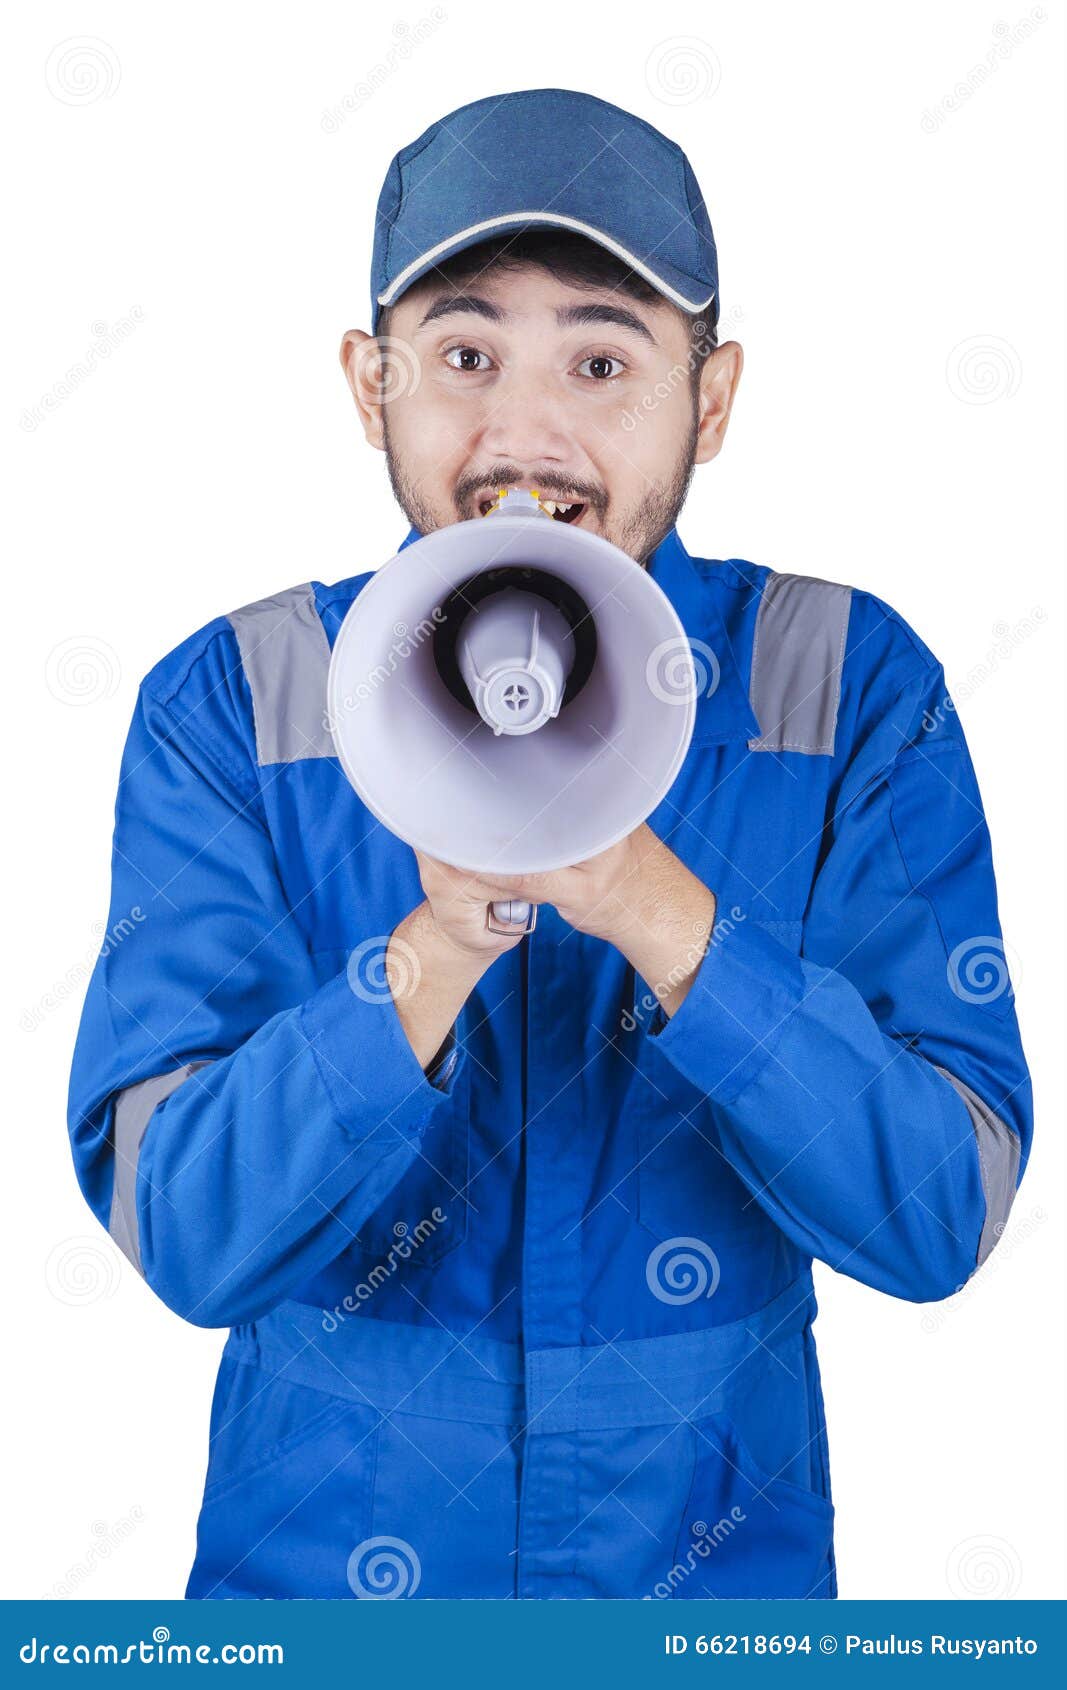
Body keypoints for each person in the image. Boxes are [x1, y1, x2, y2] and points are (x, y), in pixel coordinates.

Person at [67, 88, 1032, 1601]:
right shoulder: (235, 702)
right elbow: (184, 1229)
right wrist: (424, 959)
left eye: (601, 359)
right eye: (463, 357)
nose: (525, 433)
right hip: (325, 1614)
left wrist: (665, 917)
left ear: (707, 401)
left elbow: (937, 1209)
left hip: (707, 1609)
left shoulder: (842, 684)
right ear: (369, 383)